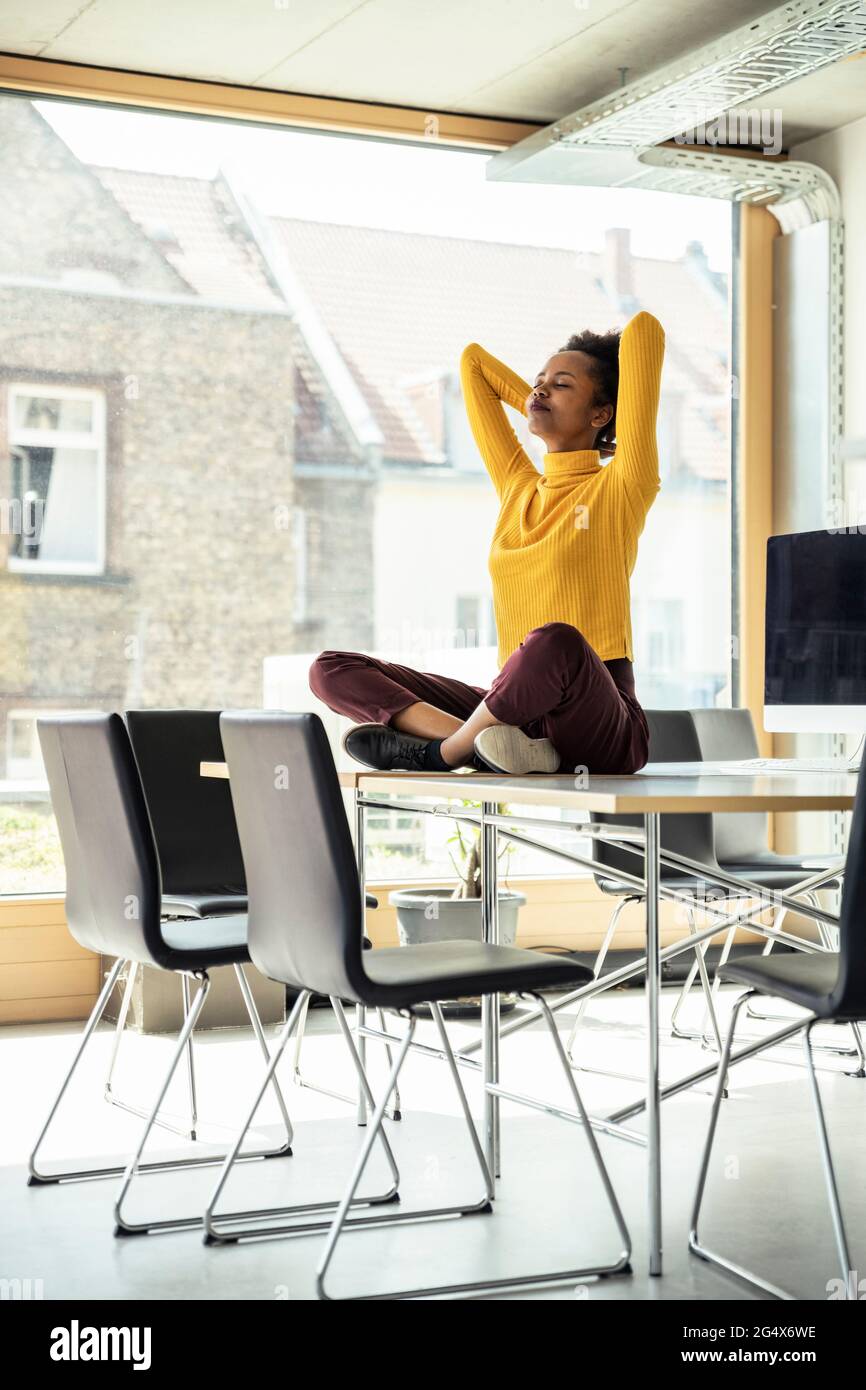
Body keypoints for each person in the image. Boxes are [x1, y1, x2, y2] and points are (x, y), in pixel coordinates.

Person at [309, 309, 665, 776]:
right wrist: (542, 399)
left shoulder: (621, 486)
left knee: (553, 640)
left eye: (562, 384)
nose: (540, 389)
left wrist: (572, 411)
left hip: (600, 716)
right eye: (539, 381)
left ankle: (446, 752)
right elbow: (473, 365)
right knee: (330, 669)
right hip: (513, 712)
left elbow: (645, 332)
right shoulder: (519, 487)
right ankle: (490, 744)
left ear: (602, 412)